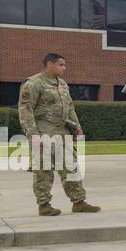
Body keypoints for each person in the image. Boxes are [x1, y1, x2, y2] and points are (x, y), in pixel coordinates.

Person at [18, 53, 100, 217]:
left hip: (63, 132)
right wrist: (33, 136)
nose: (64, 68)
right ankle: (44, 205)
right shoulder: (33, 83)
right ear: (49, 64)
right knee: (43, 170)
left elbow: (70, 108)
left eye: (64, 65)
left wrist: (77, 127)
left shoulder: (62, 84)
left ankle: (79, 202)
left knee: (71, 167)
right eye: (61, 64)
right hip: (43, 132)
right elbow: (25, 111)